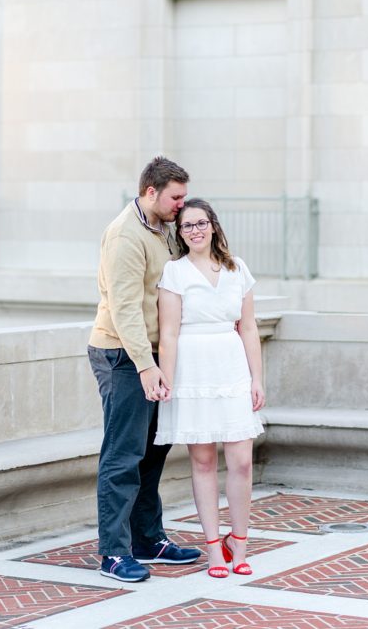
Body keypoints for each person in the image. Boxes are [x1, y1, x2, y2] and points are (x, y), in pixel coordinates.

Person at [88, 156, 202, 583]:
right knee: (123, 455)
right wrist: (145, 366)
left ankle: (147, 539)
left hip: (154, 356)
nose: (181, 205)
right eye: (176, 197)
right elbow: (125, 310)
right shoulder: (125, 235)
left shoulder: (164, 231)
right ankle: (114, 553)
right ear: (151, 192)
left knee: (153, 453)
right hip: (122, 355)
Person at [154, 198, 265, 578]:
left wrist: (257, 379)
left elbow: (248, 328)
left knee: (242, 462)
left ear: (213, 226)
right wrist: (166, 377)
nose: (196, 230)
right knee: (202, 461)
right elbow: (168, 331)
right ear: (180, 234)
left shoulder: (238, 270)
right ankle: (214, 548)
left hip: (232, 367)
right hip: (193, 370)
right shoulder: (175, 272)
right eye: (187, 226)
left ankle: (241, 541)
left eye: (201, 223)